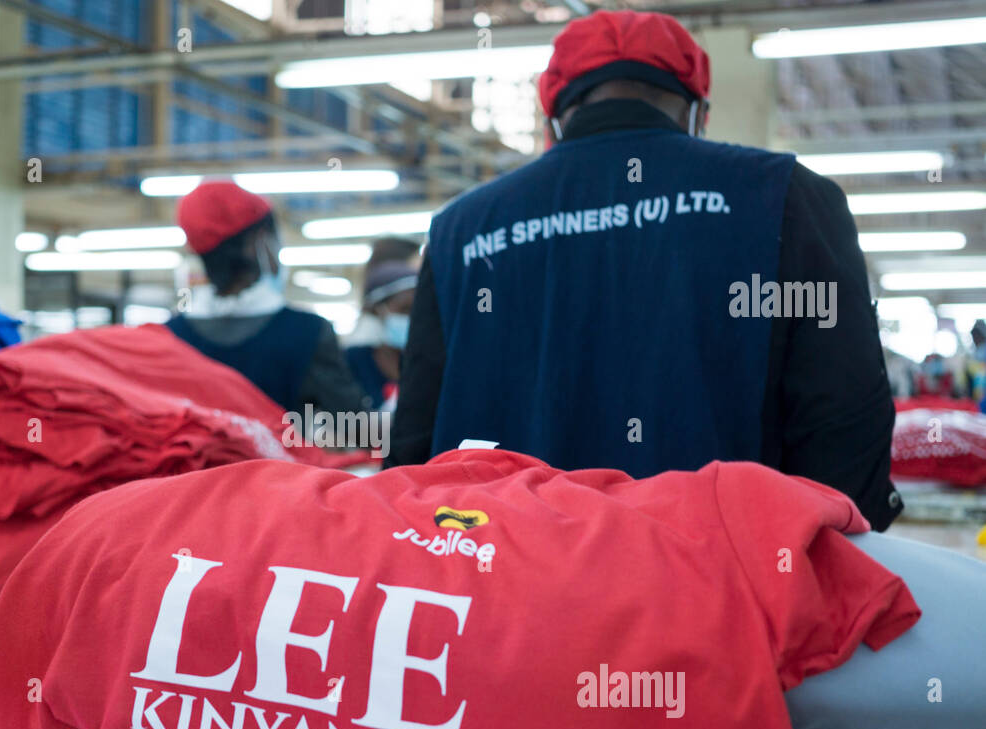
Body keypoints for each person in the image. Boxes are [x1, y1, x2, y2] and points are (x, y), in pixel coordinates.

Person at [388, 9, 903, 531]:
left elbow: (412, 449)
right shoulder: (786, 198)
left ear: (554, 119)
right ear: (696, 111)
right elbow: (847, 422)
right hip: (719, 590)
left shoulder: (461, 232)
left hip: (500, 586)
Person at [167, 181, 369, 419]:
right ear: (259, 241)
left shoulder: (170, 338)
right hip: (284, 457)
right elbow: (355, 426)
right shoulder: (307, 333)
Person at [343, 260, 418, 411]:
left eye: (418, 310)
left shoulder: (427, 365)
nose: (413, 318)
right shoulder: (351, 362)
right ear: (377, 311)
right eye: (405, 309)